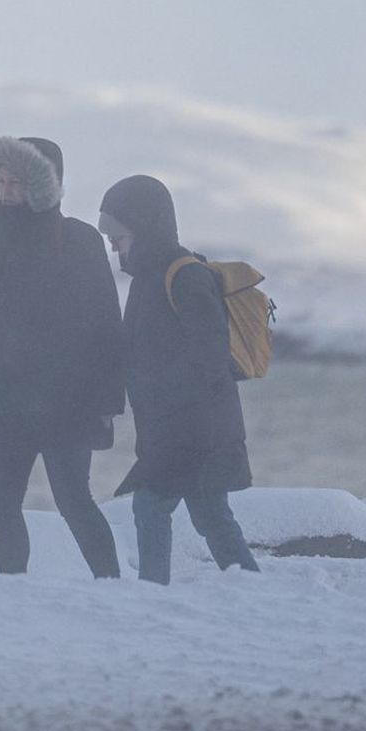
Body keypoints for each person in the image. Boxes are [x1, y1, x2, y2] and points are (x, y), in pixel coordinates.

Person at [0, 136, 126, 579]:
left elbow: (106, 326)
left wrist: (107, 403)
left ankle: (112, 586)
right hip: (7, 397)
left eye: (17, 183)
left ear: (47, 183)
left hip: (69, 403)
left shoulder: (79, 240)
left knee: (73, 499)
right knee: (0, 501)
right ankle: (12, 589)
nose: (7, 192)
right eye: (1, 182)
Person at [98, 174, 260, 585]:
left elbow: (209, 357)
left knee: (151, 506)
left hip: (191, 431)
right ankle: (251, 586)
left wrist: (169, 400)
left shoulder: (184, 276)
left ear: (145, 227)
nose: (115, 246)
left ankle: (154, 594)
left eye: (119, 235)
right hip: (181, 428)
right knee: (211, 515)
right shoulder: (149, 280)